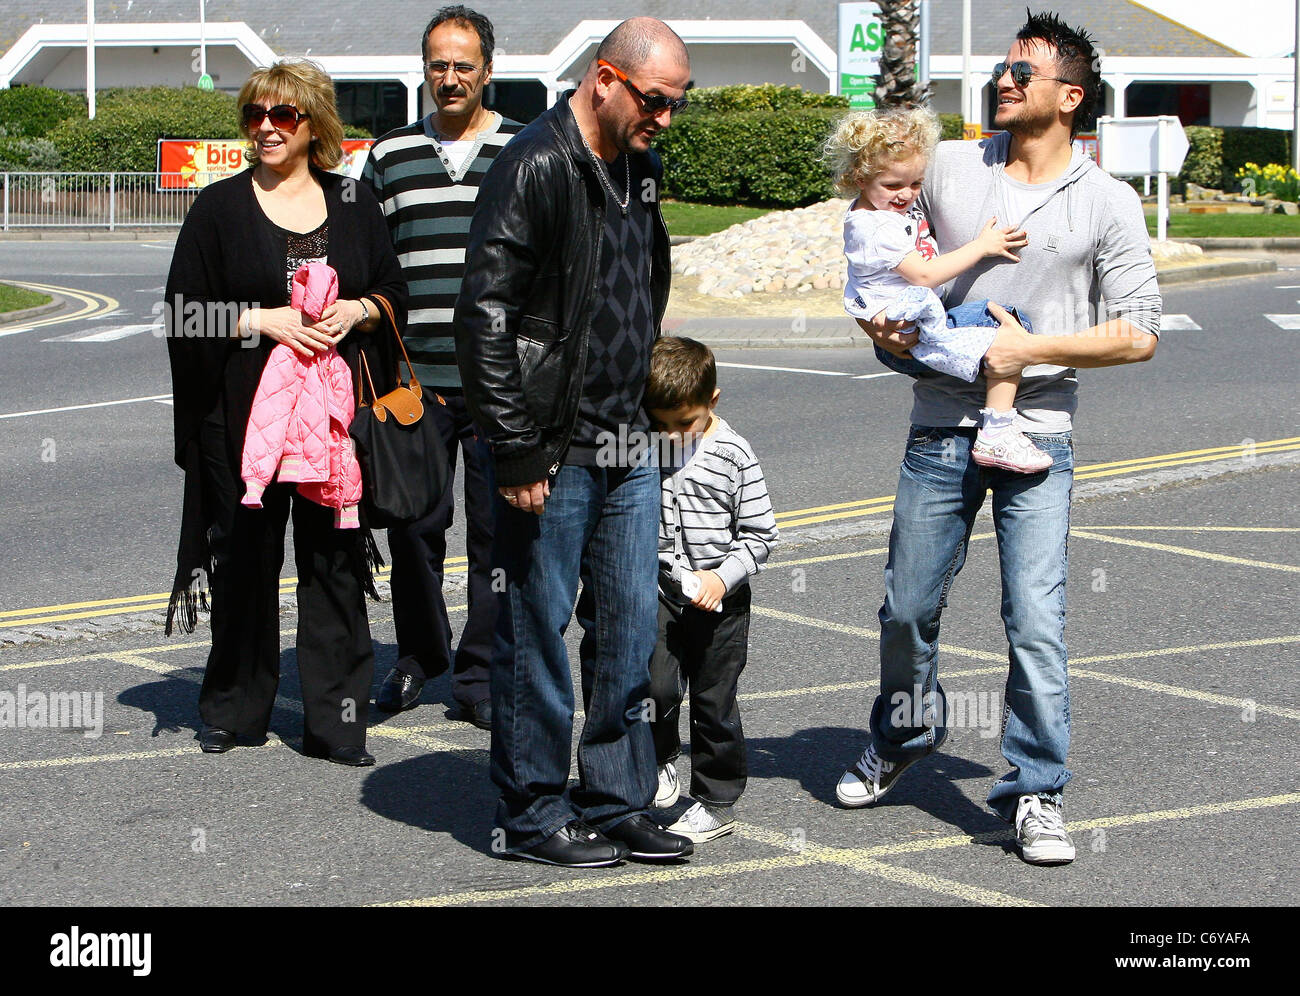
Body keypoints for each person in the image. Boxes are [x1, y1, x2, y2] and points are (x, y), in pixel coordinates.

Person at [834, 10, 1161, 864]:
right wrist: (883, 332)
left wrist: (1025, 348)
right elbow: (879, 252)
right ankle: (906, 736)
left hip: (1039, 434)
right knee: (907, 607)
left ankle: (1035, 787)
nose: (1005, 80)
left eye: (1025, 71)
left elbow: (1138, 333)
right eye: (1005, 69)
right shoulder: (947, 167)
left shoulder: (1106, 201)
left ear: (1070, 95)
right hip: (941, 424)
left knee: (1036, 620)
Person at [455, 18, 694, 868]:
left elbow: (642, 285)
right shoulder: (537, 164)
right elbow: (482, 314)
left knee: (629, 632)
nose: (665, 119)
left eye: (677, 104)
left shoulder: (643, 168)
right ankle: (532, 812)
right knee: (534, 632)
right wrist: (516, 448)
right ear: (605, 78)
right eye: (656, 101)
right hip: (551, 447)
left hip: (627, 443)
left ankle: (616, 797)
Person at [163, 58, 407, 766]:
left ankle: (337, 725)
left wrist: (359, 309)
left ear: (315, 125)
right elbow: (182, 313)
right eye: (255, 115)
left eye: (284, 116)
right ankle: (235, 711)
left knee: (333, 563)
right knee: (244, 560)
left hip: (333, 422)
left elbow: (394, 289)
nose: (267, 127)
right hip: (243, 421)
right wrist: (259, 319)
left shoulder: (355, 202)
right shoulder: (219, 207)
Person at [361, 6, 522, 729]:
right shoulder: (390, 156)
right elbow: (367, 262)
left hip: (497, 386)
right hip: (411, 384)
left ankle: (482, 676)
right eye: (437, 64)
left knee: (497, 538)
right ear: (423, 69)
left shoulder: (524, 149)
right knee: (413, 530)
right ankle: (420, 658)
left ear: (488, 70)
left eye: (463, 65)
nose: (449, 78)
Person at [827, 106, 1050, 473]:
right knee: (1008, 323)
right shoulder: (875, 227)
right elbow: (925, 275)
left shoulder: (882, 213)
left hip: (907, 329)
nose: (906, 195)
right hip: (910, 333)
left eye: (915, 184)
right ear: (859, 177)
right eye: (893, 185)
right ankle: (997, 432)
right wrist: (983, 245)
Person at [643, 337, 778, 843]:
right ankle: (658, 761)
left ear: (713, 402)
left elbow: (763, 534)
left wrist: (721, 577)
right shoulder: (647, 443)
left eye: (685, 424)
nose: (672, 435)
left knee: (713, 699)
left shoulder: (734, 454)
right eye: (661, 424)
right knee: (654, 686)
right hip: (661, 593)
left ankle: (716, 798)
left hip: (722, 603)